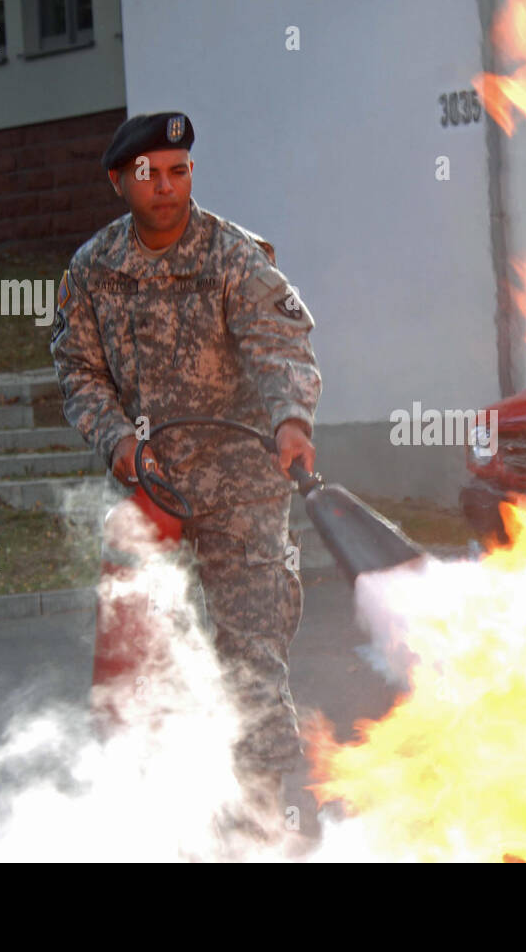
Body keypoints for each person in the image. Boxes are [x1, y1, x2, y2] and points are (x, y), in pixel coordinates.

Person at [49, 111, 321, 841]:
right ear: (120, 181)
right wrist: (118, 442)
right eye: (149, 174)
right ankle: (154, 822)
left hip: (243, 489)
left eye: (179, 171)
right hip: (152, 488)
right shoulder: (93, 269)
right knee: (140, 662)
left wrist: (292, 420)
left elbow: (281, 345)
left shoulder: (234, 256)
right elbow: (79, 371)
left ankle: (259, 824)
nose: (166, 187)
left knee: (252, 652)